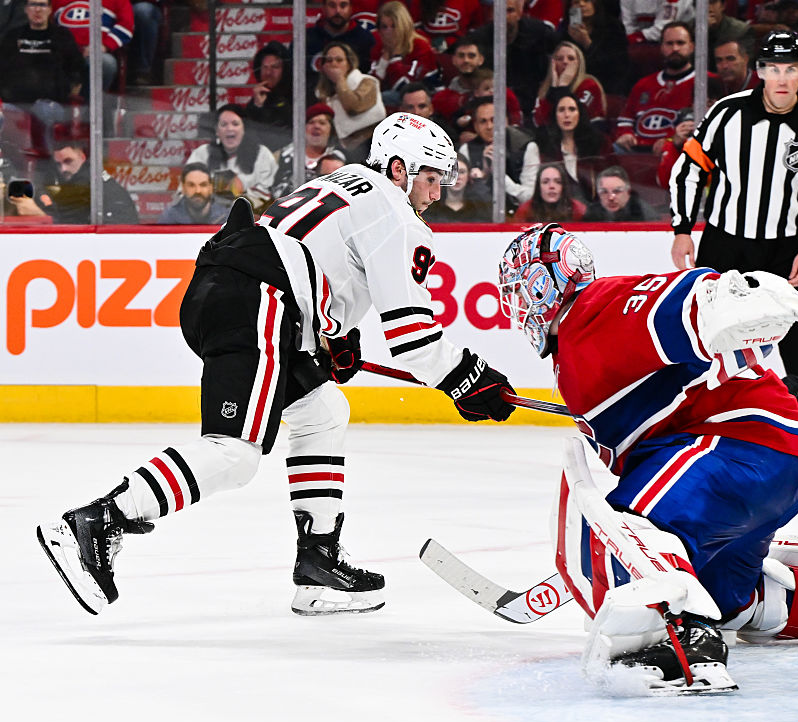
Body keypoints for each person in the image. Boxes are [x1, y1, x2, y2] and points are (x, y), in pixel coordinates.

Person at [36, 112, 517, 618]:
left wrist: (335, 336)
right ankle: (96, 521)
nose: (436, 193)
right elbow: (413, 337)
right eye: (431, 177)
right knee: (234, 454)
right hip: (260, 300)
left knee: (323, 410)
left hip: (231, 290)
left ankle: (319, 563)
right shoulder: (396, 213)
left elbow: (309, 257)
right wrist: (469, 378)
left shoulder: (342, 182)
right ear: (399, 169)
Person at [497, 223, 798, 695]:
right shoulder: (574, 347)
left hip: (730, 456)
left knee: (618, 533)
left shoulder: (594, 311)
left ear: (544, 282)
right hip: (771, 469)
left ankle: (683, 643)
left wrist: (729, 299)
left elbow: (676, 299)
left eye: (518, 289)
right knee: (727, 600)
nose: (517, 305)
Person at [669, 30, 798, 466]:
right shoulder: (726, 114)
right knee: (705, 339)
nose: (781, 78)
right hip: (724, 246)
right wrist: (682, 228)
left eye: (790, 69)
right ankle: (695, 428)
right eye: (773, 69)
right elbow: (690, 169)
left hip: (787, 250)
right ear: (760, 71)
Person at [615, 22, 723, 155]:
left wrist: (671, 141)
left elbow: (711, 127)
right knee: (614, 150)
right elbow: (626, 119)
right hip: (638, 150)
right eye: (669, 43)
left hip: (678, 152)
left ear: (692, 47)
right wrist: (625, 134)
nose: (675, 48)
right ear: (661, 47)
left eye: (680, 43)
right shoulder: (643, 84)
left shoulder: (708, 82)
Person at [0, 0, 85, 155]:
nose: (37, 9)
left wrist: (72, 90)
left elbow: (77, 68)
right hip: (15, 102)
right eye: (33, 5)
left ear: (50, 9)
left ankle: (48, 163)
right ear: (26, 9)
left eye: (42, 5)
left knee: (43, 110)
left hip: (50, 102)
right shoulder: (13, 36)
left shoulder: (62, 36)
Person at [21, 135, 138, 223]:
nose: (63, 169)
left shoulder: (85, 183)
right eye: (58, 164)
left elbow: (64, 223)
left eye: (68, 161)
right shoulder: (91, 174)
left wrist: (38, 212)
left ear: (82, 157)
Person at [469, 0, 558, 114]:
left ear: (519, 13)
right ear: (491, 15)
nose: (503, 17)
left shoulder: (540, 32)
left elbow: (558, 57)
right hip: (493, 107)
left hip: (534, 100)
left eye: (509, 11)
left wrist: (542, 94)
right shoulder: (478, 39)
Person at [186, 104, 279, 213]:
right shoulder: (201, 154)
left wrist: (238, 191)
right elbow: (186, 190)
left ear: (244, 128)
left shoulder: (262, 154)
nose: (229, 128)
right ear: (216, 130)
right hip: (209, 219)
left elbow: (269, 195)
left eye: (235, 124)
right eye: (223, 124)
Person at [458, 96, 539, 209]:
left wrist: (499, 175)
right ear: (476, 126)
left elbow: (529, 197)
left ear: (505, 121)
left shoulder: (526, 147)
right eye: (483, 121)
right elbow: (460, 196)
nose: (489, 126)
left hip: (518, 217)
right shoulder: (466, 150)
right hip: (477, 214)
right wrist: (483, 175)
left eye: (494, 120)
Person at [313, 40, 386, 164]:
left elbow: (354, 107)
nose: (333, 64)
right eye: (329, 61)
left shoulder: (367, 82)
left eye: (339, 60)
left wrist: (340, 79)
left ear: (349, 64)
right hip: (341, 151)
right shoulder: (323, 95)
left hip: (371, 146)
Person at [534, 92, 609, 201]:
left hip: (595, 209)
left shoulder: (599, 142)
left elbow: (612, 178)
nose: (567, 115)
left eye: (572, 109)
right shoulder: (545, 146)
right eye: (561, 110)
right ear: (555, 115)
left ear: (580, 114)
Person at [52, 0, 133, 92]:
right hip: (60, 51)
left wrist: (104, 45)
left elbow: (127, 26)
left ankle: (89, 103)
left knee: (105, 63)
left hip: (94, 52)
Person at [270, 103, 345, 200]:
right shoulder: (283, 155)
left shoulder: (340, 159)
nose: (316, 126)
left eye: (322, 123)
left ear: (331, 129)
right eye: (311, 122)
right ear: (303, 128)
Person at [370, 1, 439, 102]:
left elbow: (405, 88)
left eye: (394, 26)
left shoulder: (420, 46)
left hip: (424, 98)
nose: (389, 32)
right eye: (384, 27)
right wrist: (384, 59)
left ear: (404, 26)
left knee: (384, 98)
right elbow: (372, 86)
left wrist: (395, 55)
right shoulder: (379, 47)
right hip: (394, 96)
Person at [531, 40, 607, 129]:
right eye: (559, 59)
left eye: (571, 58)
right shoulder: (545, 88)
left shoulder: (589, 85)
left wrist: (562, 88)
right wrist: (554, 89)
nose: (565, 62)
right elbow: (539, 123)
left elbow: (576, 121)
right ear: (553, 64)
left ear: (579, 63)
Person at [245, 41, 293, 153]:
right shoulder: (256, 101)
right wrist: (257, 106)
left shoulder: (297, 96)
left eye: (275, 67)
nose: (268, 72)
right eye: (264, 67)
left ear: (285, 69)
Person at [307, 0, 375, 78]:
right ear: (324, 8)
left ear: (351, 8)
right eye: (332, 5)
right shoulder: (307, 39)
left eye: (343, 5)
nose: (337, 11)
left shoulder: (365, 40)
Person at [157, 162, 231, 225]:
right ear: (183, 188)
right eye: (191, 185)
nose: (197, 191)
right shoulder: (170, 217)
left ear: (210, 188)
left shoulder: (226, 217)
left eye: (203, 185)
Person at [424, 152, 490, 222]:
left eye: (462, 172)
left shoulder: (477, 207)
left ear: (469, 176)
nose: (457, 177)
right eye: (452, 172)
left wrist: (478, 182)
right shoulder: (431, 206)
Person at [511, 162, 586, 222]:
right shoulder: (525, 211)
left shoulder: (578, 210)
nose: (551, 186)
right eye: (545, 182)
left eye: (558, 182)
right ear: (538, 187)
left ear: (564, 186)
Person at [582, 164, 658, 221]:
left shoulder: (644, 214)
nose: (611, 197)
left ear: (628, 192)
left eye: (617, 191)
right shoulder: (591, 215)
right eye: (604, 192)